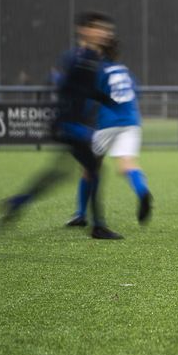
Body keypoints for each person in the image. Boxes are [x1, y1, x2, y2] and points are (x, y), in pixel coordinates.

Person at [0, 11, 121, 240]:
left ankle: (17, 202)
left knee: (61, 173)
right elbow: (60, 84)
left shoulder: (92, 58)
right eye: (99, 28)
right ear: (84, 30)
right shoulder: (78, 57)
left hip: (70, 124)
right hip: (68, 125)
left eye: (106, 30)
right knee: (93, 168)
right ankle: (98, 226)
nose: (104, 33)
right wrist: (68, 102)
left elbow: (84, 89)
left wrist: (107, 101)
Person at [67, 36, 153, 228]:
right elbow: (135, 92)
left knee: (89, 168)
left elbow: (89, 98)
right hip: (131, 120)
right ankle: (142, 191)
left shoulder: (97, 70)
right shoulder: (124, 70)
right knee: (127, 164)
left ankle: (80, 215)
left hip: (108, 122)